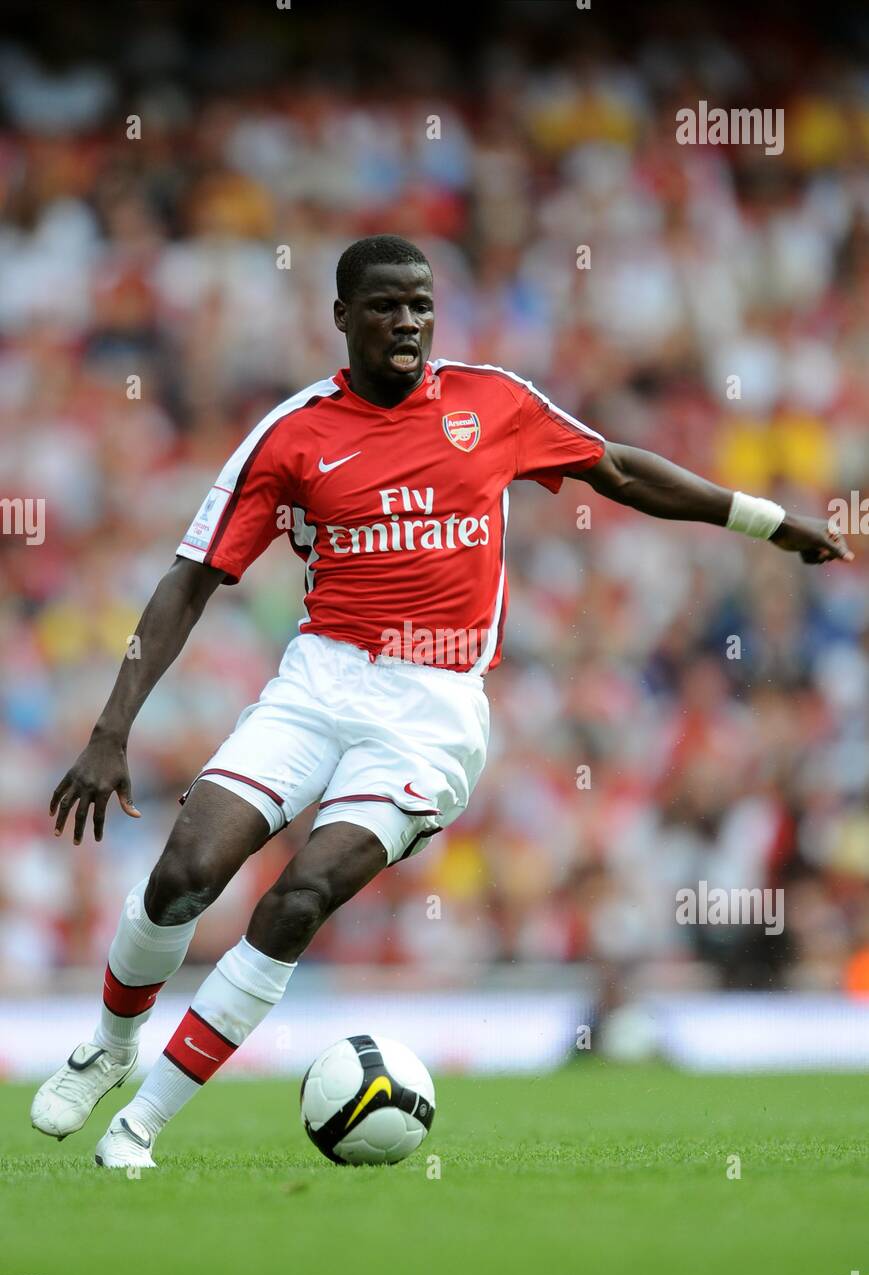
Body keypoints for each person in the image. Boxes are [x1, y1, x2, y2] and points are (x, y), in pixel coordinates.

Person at [31, 235, 853, 1168]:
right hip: (319, 681)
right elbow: (191, 579)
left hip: (433, 710)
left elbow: (616, 469)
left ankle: (142, 1125)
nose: (408, 322)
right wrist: (111, 730)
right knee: (185, 872)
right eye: (385, 305)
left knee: (299, 899)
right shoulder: (292, 434)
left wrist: (763, 518)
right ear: (341, 317)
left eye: (421, 304)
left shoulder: (491, 403)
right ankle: (109, 1042)